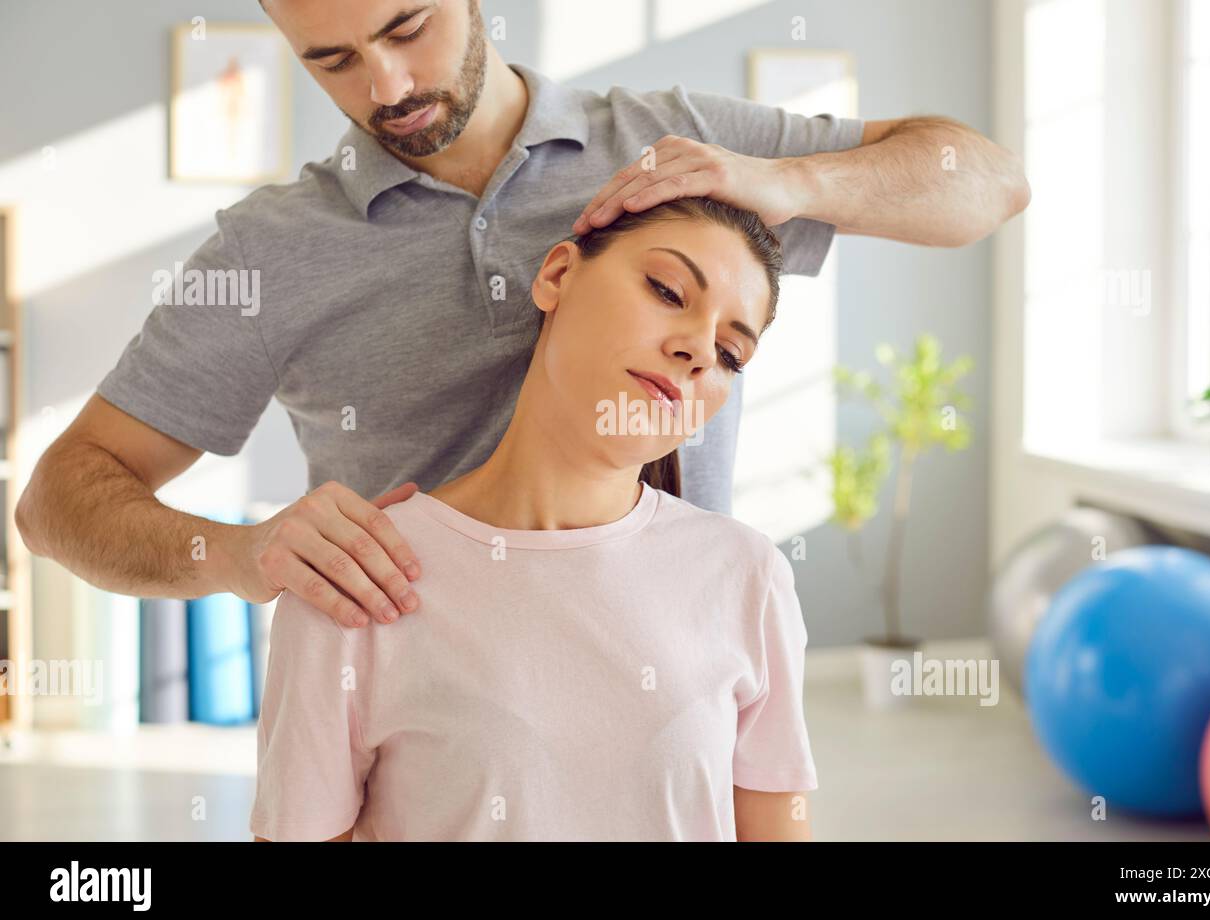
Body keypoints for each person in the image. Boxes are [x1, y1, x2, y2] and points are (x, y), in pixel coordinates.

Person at [17, 0, 1029, 636]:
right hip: (413, 720)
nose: (389, 88)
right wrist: (237, 557)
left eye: (408, 28)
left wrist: (781, 179)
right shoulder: (270, 249)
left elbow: (985, 184)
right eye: (332, 61)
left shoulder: (675, 142)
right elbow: (58, 501)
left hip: (664, 688)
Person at [251, 196, 818, 841]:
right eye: (667, 290)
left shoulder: (747, 575)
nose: (696, 350)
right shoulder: (357, 576)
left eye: (730, 354)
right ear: (557, 275)